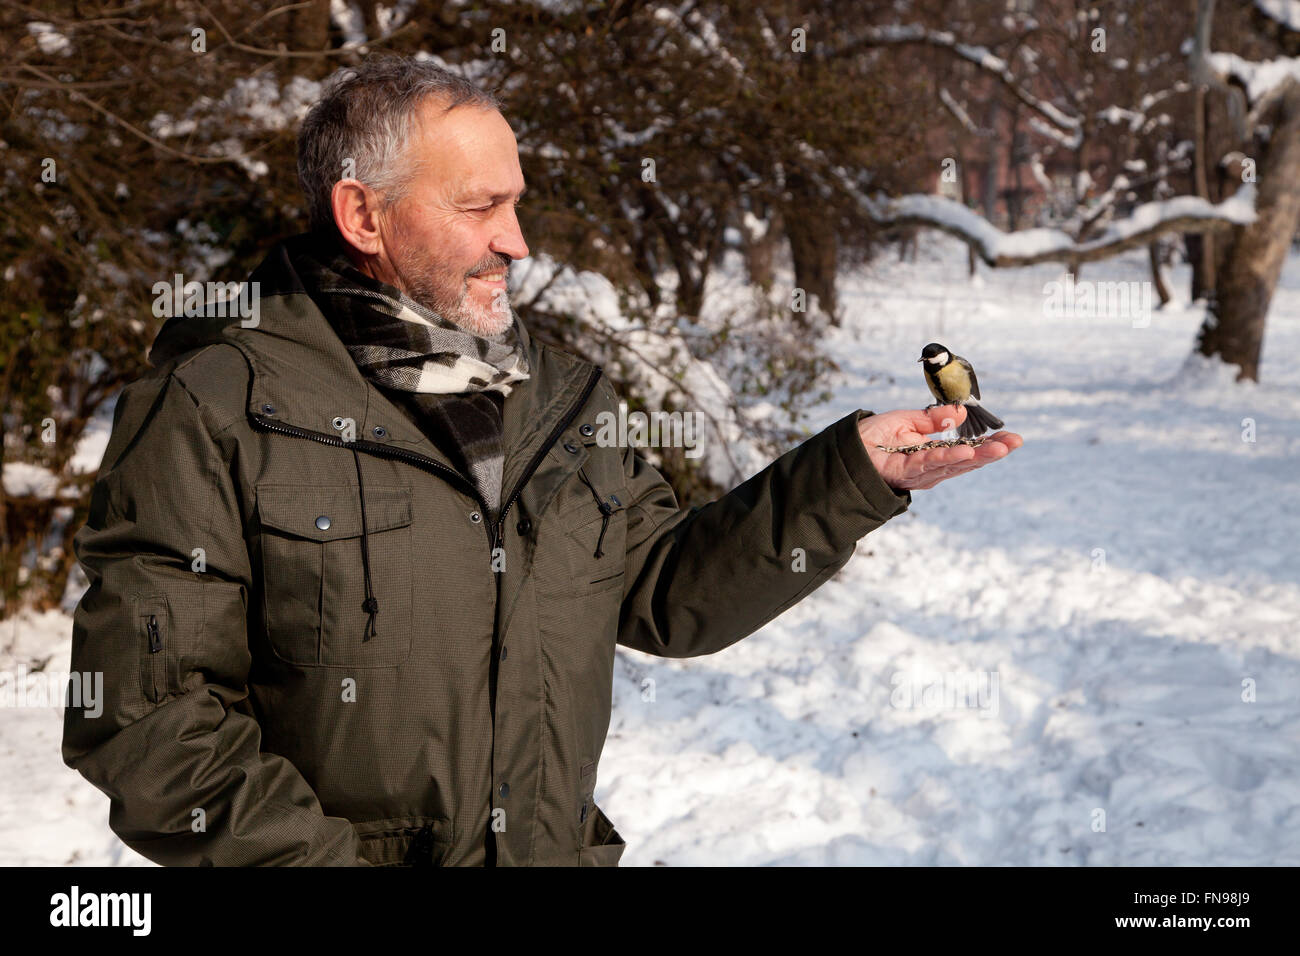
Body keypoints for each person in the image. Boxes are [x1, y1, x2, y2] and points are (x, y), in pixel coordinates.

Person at [63, 57, 1022, 867]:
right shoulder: (216, 401)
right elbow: (151, 726)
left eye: (516, 204)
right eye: (480, 206)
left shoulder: (560, 396)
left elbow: (663, 593)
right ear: (362, 213)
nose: (514, 241)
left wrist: (850, 477)